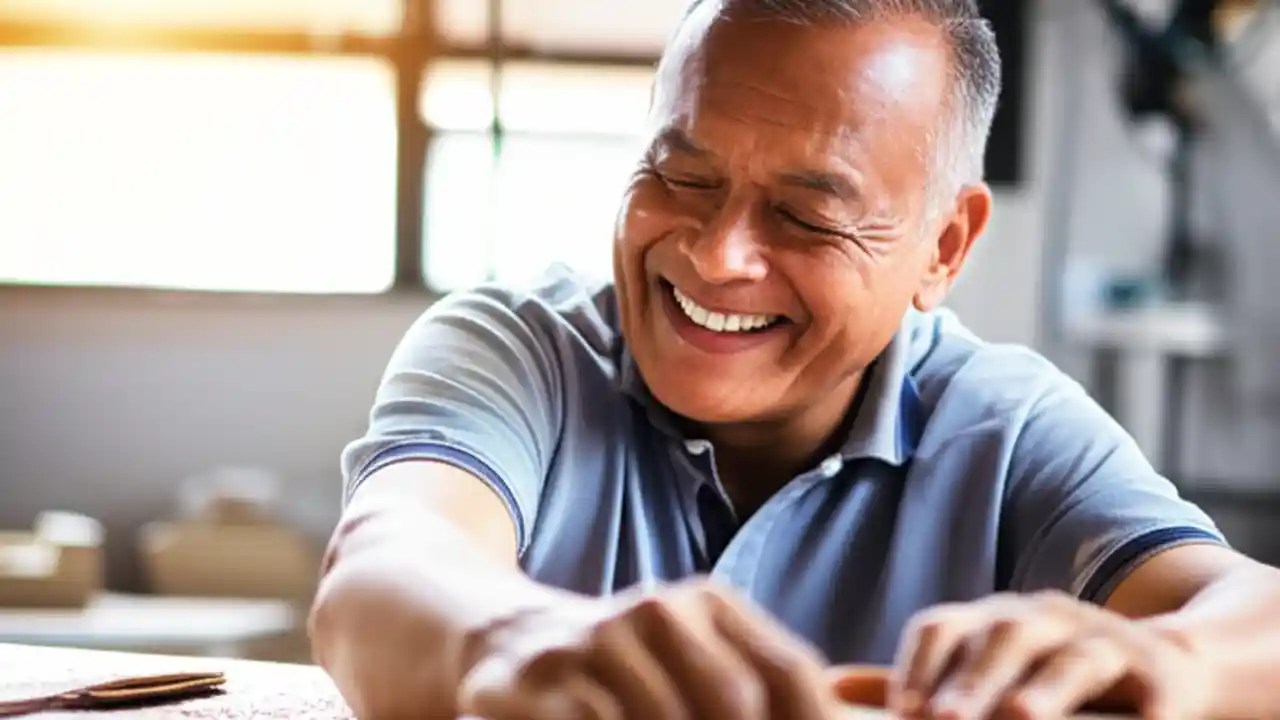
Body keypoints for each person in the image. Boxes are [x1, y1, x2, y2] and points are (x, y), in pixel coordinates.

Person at [309, 1, 1280, 718]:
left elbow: (1254, 613)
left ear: (942, 247)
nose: (712, 254)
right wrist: (510, 642)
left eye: (805, 216)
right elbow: (380, 569)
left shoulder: (1002, 424)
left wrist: (1168, 665)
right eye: (678, 175)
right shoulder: (520, 352)